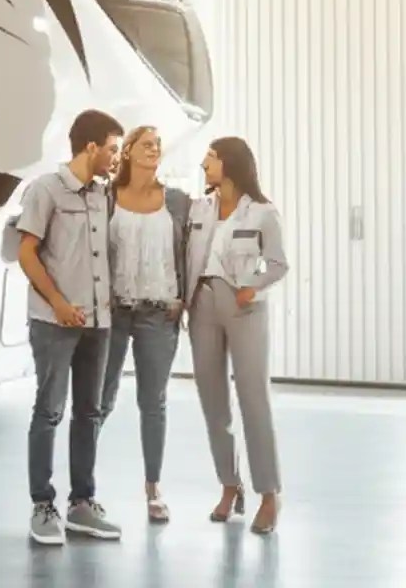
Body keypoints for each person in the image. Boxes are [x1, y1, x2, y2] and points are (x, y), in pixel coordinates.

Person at [16, 108, 125, 545]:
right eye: (113, 149)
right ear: (91, 147)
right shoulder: (46, 190)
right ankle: (42, 505)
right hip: (54, 323)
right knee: (49, 412)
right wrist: (58, 303)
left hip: (98, 323)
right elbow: (27, 253)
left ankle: (82, 504)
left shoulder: (103, 196)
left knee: (89, 412)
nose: (117, 158)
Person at [185, 136, 288, 535]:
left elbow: (279, 264)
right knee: (214, 405)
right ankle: (230, 486)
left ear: (229, 163)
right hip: (202, 306)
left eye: (209, 158)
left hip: (245, 308)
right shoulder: (199, 209)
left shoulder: (263, 212)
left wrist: (254, 286)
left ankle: (269, 494)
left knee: (253, 401)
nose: (204, 164)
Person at [98, 125, 191, 523]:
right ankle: (82, 488)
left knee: (152, 402)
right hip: (114, 311)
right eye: (147, 143)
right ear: (130, 151)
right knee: (100, 400)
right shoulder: (106, 199)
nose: (155, 149)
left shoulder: (177, 201)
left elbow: (194, 247)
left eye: (158, 144)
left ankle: (153, 488)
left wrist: (184, 295)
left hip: (159, 311)